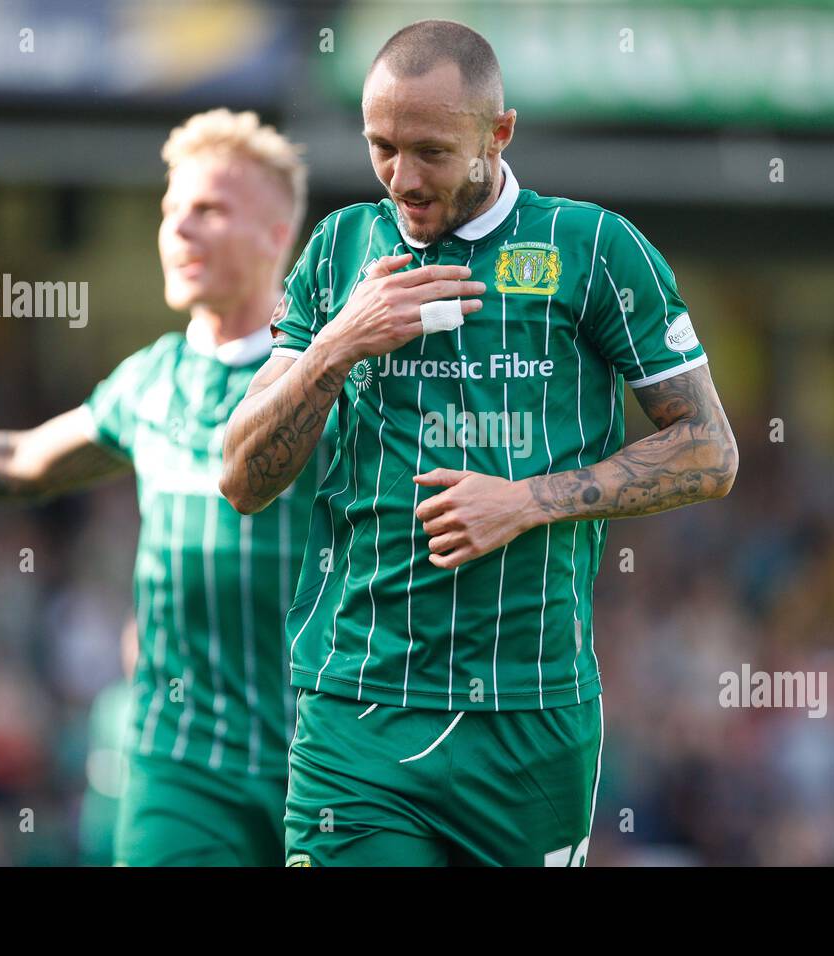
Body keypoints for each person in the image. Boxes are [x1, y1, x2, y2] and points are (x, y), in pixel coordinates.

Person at [220, 20, 738, 866]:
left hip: (532, 720)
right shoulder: (341, 250)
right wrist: (338, 342)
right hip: (358, 712)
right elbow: (242, 477)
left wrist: (526, 502)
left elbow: (710, 451)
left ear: (499, 134)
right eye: (381, 147)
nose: (402, 178)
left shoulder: (595, 250)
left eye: (430, 150)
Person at [0, 108, 332, 866]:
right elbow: (25, 460)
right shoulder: (148, 381)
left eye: (209, 210)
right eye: (170, 212)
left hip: (322, 757)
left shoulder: (332, 375)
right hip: (181, 763)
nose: (179, 231)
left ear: (275, 236)